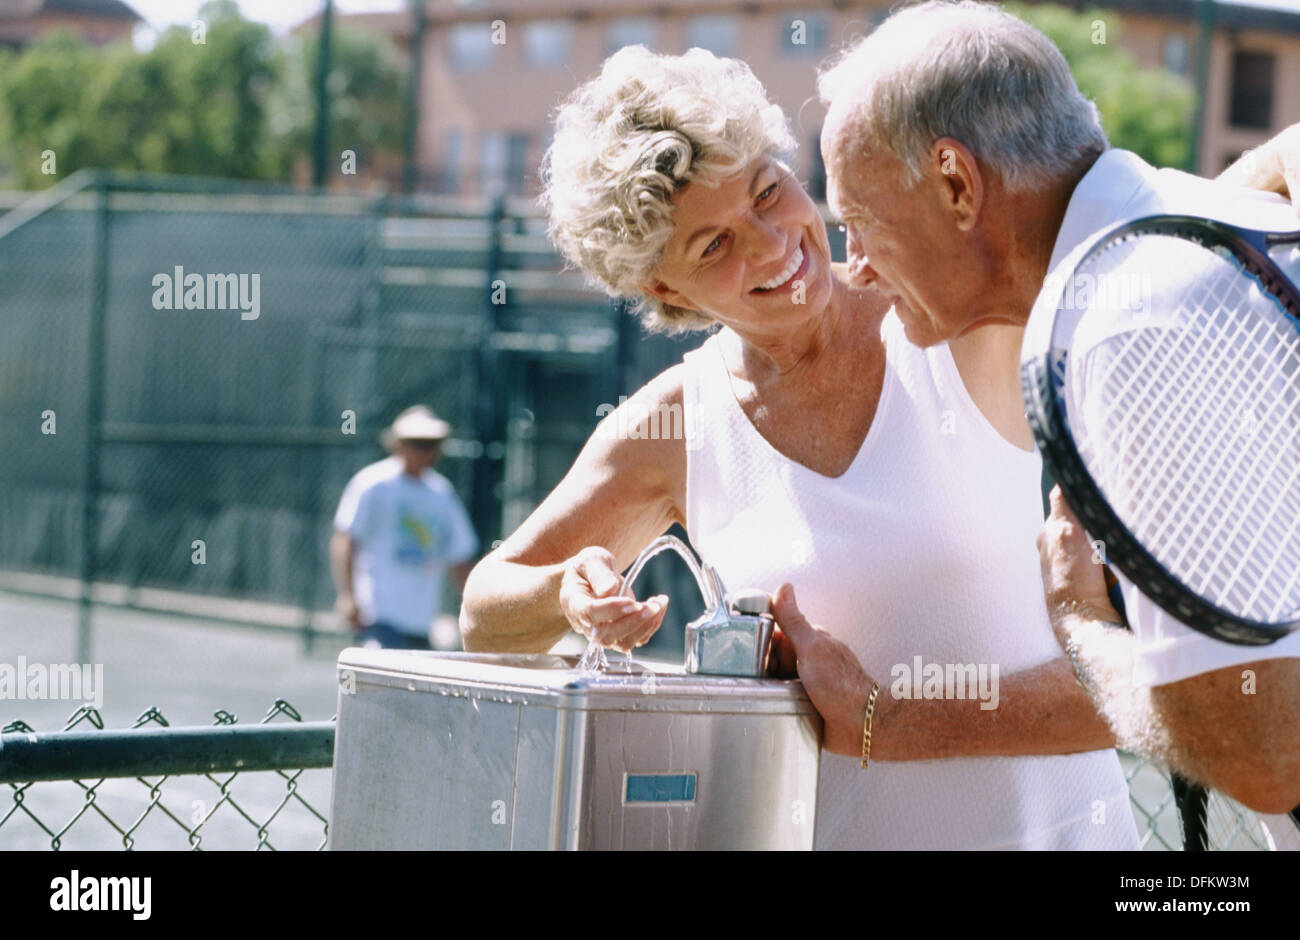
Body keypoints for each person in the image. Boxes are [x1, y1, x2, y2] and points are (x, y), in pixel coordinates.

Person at [459, 45, 1141, 849]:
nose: (770, 245)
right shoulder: (675, 423)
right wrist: (566, 588)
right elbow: (483, 615)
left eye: (766, 193)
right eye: (712, 245)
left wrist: (888, 718)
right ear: (665, 291)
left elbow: (1139, 685)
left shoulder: (945, 308)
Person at [811, 0, 1300, 814]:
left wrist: (1079, 624)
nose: (852, 267)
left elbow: (1264, 757)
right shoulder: (1209, 231)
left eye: (858, 223)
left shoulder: (1126, 328)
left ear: (957, 184)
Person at [332, 406, 478, 651]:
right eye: (416, 443)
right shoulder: (372, 484)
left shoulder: (442, 493)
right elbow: (346, 539)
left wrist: (478, 609)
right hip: (378, 617)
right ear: (398, 443)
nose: (423, 451)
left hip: (421, 623)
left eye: (430, 444)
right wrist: (348, 595)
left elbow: (459, 558)